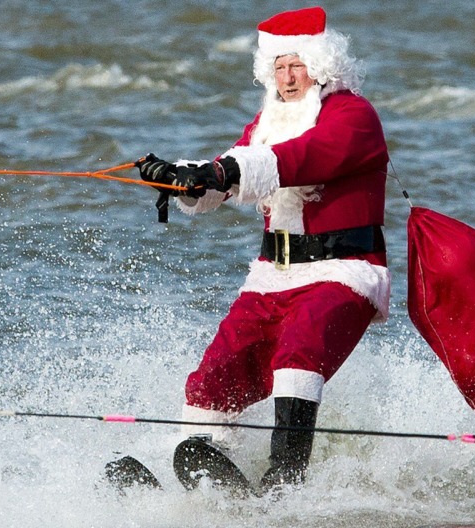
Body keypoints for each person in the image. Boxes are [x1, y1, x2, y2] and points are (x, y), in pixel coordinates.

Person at [134, 6, 390, 490]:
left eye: (297, 65)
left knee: (299, 351)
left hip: (343, 272)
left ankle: (284, 481)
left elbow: (303, 157)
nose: (287, 78)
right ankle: (202, 470)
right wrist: (180, 179)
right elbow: (230, 172)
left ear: (321, 66)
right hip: (274, 276)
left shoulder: (354, 116)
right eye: (279, 67)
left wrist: (224, 170)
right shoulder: (268, 122)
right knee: (214, 374)